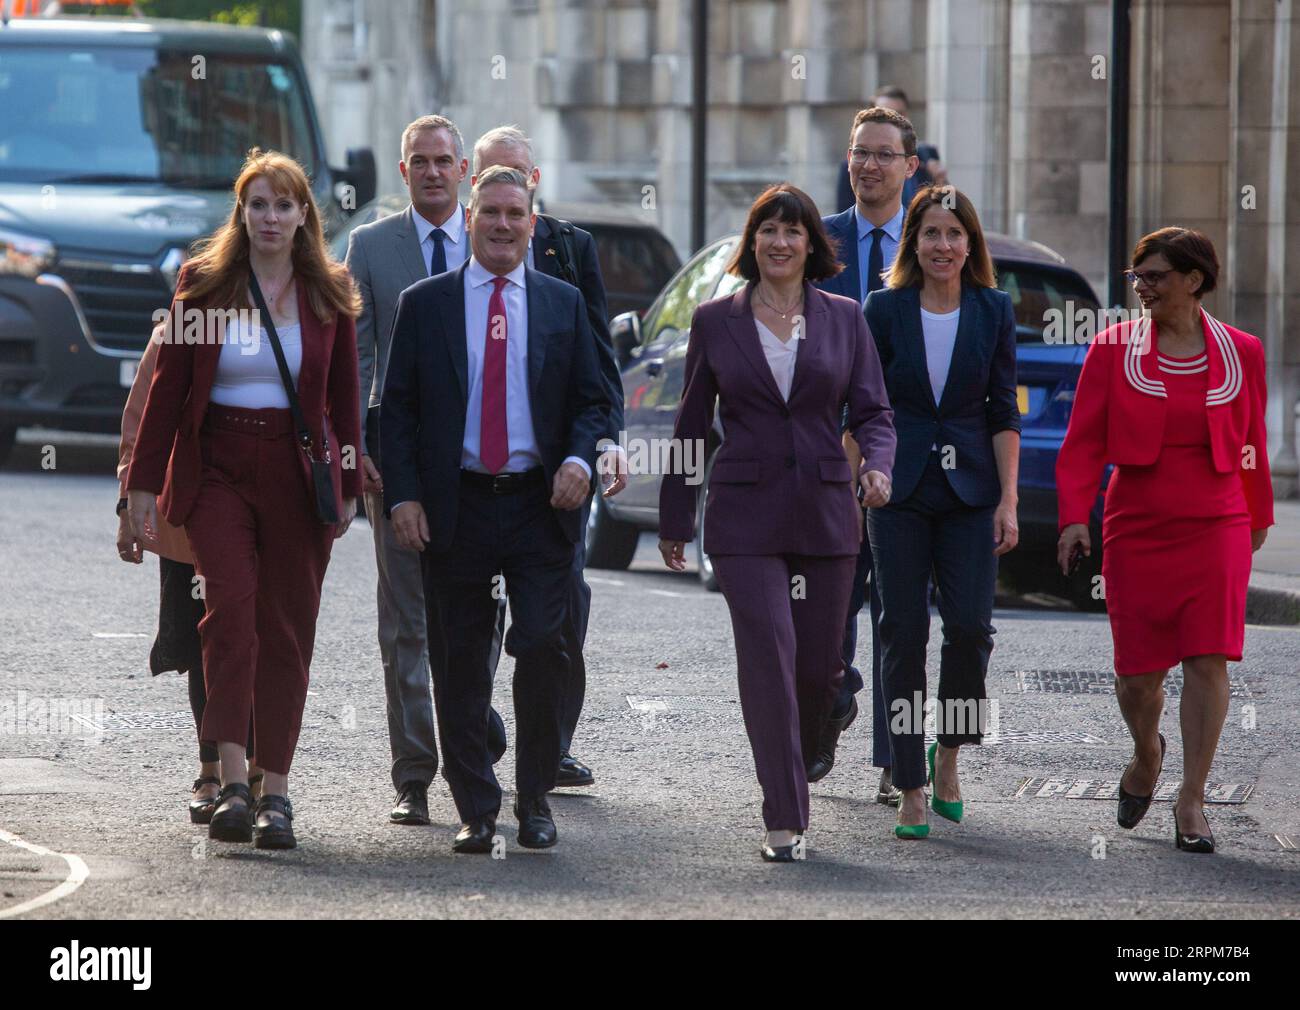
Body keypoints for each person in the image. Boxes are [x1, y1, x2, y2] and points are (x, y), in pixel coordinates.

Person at [127, 149, 362, 850]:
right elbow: (168, 390)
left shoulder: (329, 291)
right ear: (242, 211)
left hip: (296, 474)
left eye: (283, 205)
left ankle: (275, 792)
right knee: (230, 615)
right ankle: (230, 782)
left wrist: (346, 483)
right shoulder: (202, 286)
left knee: (288, 628)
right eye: (258, 204)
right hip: (219, 468)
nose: (270, 217)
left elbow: (344, 402)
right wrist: (140, 488)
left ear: (303, 216)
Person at [658, 184, 895, 862]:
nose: (780, 242)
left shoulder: (847, 318)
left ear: (811, 245)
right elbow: (690, 425)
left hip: (826, 513)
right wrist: (675, 516)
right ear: (752, 242)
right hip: (745, 518)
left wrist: (876, 466)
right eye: (768, 230)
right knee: (768, 656)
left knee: (818, 670)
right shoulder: (715, 320)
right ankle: (784, 817)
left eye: (793, 231)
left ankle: (825, 719)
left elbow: (874, 412)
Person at [380, 165, 612, 854]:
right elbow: (398, 412)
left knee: (545, 643)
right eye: (491, 213)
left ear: (532, 223)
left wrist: (579, 459)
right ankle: (477, 806)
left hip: (542, 507)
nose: (504, 224)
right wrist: (404, 497)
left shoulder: (562, 304)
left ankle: (535, 795)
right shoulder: (425, 304)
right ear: (469, 218)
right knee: (459, 662)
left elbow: (593, 400)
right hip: (459, 509)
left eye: (516, 213)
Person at [1056, 227, 1273, 854]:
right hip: (1138, 522)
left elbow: (1253, 438)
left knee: (1210, 656)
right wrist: (1074, 517)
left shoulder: (1244, 352)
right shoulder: (1110, 349)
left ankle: (1192, 797)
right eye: (1138, 278)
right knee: (1137, 676)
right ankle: (1147, 752)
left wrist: (1257, 516)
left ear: (1194, 280)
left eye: (1154, 276)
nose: (1143, 288)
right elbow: (1083, 445)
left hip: (1218, 518)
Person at [348, 114, 508, 828]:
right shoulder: (370, 247)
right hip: (401, 465)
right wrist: (361, 449)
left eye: (446, 160)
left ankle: (472, 724)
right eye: (421, 161)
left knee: (480, 616)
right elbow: (356, 360)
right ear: (404, 169)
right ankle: (414, 771)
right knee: (406, 624)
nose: (434, 172)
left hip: (488, 467)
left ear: (463, 171)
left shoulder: (497, 238)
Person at [470, 125, 627, 789]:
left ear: (533, 186)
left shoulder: (570, 250)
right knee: (467, 622)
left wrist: (602, 445)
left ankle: (550, 744)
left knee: (560, 615)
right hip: (472, 478)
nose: (506, 200)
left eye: (518, 178)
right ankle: (475, 727)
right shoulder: (454, 259)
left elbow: (598, 361)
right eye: (492, 179)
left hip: (555, 473)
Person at [865, 185, 1021, 840]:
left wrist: (1010, 498)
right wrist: (859, 480)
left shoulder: (993, 309)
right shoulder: (883, 307)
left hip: (970, 494)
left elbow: (1002, 411)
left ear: (971, 244)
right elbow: (865, 405)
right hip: (897, 492)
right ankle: (910, 783)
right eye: (931, 233)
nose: (943, 245)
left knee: (970, 628)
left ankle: (948, 752)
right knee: (901, 631)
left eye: (955, 234)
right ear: (914, 242)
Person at [815, 105, 920, 801]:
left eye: (884, 154)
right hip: (822, 459)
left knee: (900, 617)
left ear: (910, 166)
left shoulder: (937, 240)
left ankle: (894, 762)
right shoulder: (816, 240)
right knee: (821, 611)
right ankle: (829, 708)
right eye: (860, 153)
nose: (870, 165)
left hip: (908, 462)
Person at [116, 325, 259, 823]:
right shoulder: (174, 333)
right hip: (186, 517)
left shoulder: (288, 318)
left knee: (258, 637)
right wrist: (126, 506)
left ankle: (256, 770)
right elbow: (138, 423)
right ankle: (211, 769)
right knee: (205, 645)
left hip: (266, 507)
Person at [835, 87, 946, 213]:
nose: (870, 166)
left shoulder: (927, 155)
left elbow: (949, 209)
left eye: (899, 114)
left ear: (911, 165)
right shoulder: (853, 166)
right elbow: (843, 215)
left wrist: (941, 183)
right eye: (884, 114)